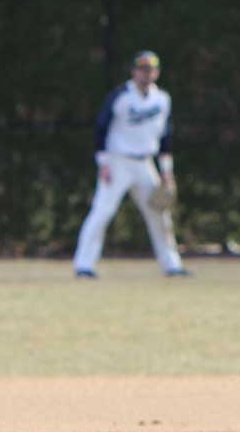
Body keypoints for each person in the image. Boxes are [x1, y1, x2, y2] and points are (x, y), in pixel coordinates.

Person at [72, 50, 187, 279]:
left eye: (150, 70)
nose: (146, 74)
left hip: (145, 164)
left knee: (159, 214)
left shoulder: (162, 99)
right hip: (118, 162)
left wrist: (166, 171)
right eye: (142, 69)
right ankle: (84, 265)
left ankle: (172, 265)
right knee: (102, 212)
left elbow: (165, 137)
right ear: (134, 72)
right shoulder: (121, 96)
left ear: (157, 72)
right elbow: (101, 129)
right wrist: (103, 162)